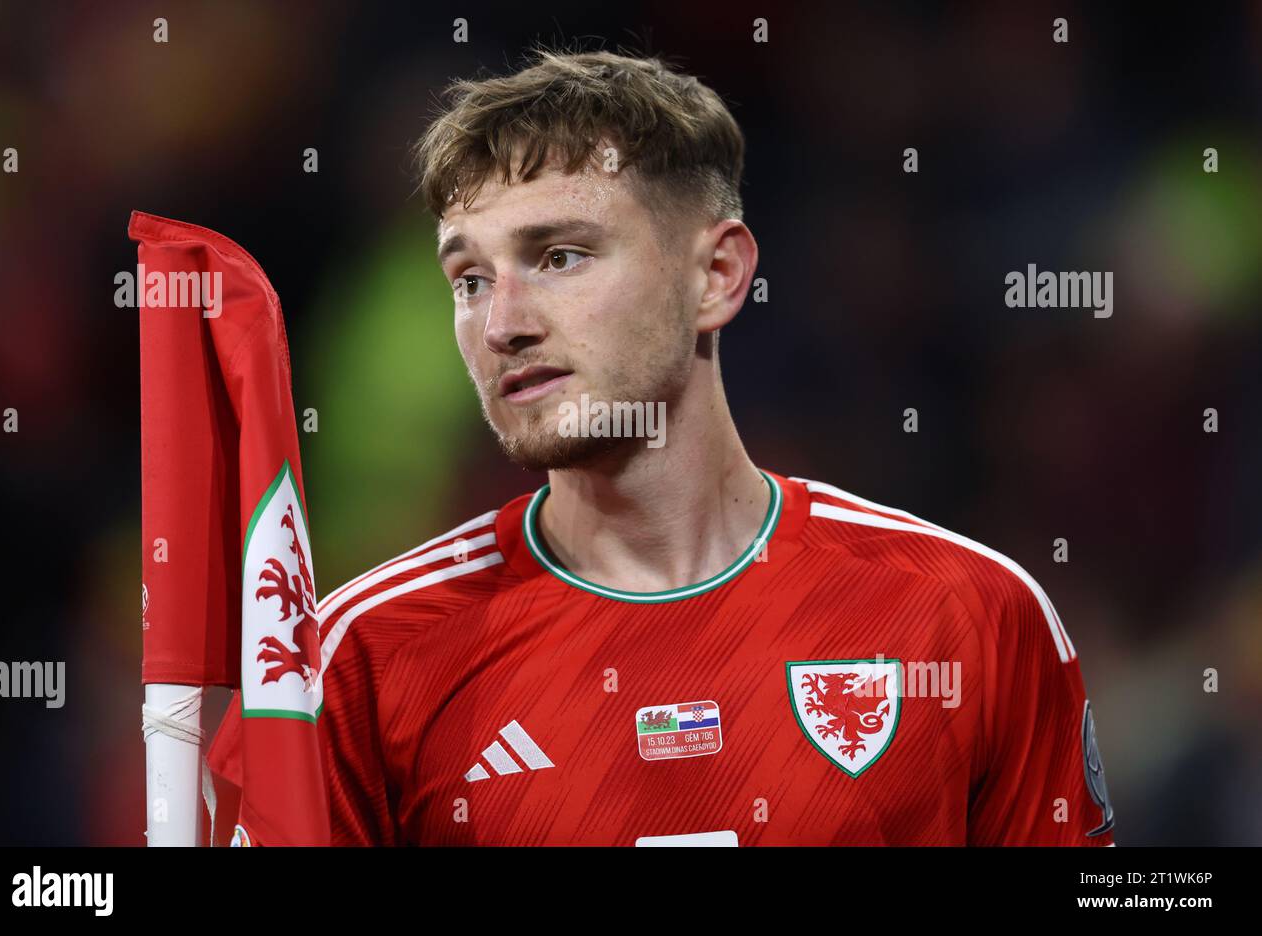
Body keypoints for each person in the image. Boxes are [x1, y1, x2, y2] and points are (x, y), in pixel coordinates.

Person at [249, 48, 1116, 846]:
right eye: (469, 279)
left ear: (717, 277)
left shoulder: (967, 615)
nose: (503, 324)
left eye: (559, 256)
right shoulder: (362, 660)